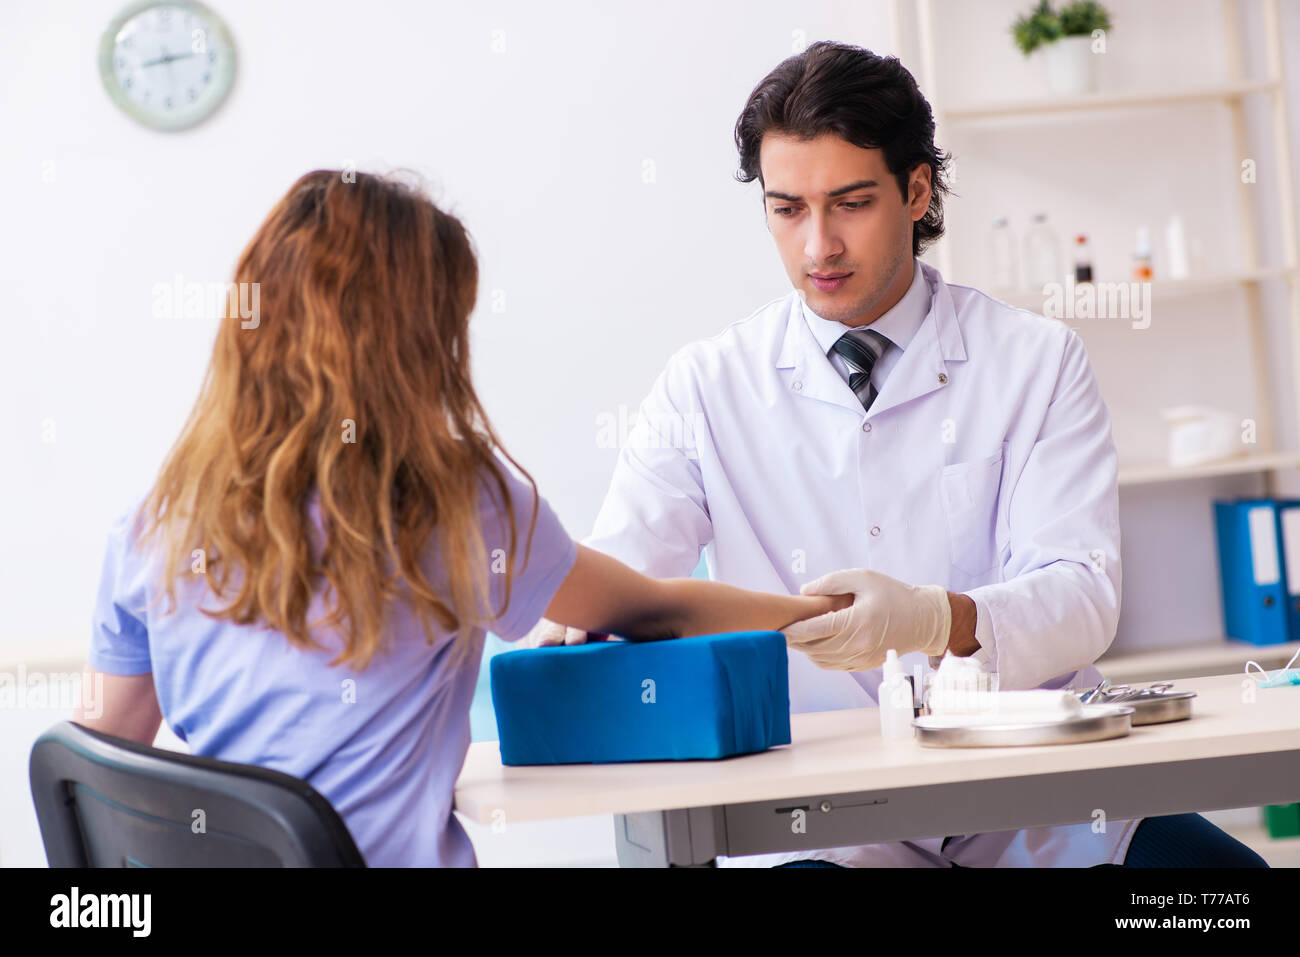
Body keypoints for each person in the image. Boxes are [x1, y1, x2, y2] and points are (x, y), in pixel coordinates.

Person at [524, 41, 1266, 868]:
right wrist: (581, 617)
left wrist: (936, 617)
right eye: (787, 209)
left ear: (916, 192)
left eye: (849, 203)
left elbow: (1083, 591)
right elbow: (632, 577)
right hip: (824, 816)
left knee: (1218, 892)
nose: (817, 247)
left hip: (1040, 796)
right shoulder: (704, 387)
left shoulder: (1035, 359)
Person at [73, 169, 850, 868]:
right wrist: (823, 612)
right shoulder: (455, 502)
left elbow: (94, 771)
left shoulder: (155, 525)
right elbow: (653, 606)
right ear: (410, 341)